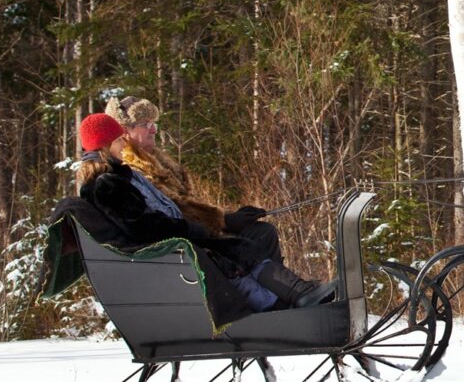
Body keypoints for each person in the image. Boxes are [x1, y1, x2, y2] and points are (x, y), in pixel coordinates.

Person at [73, 112, 335, 312]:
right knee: (236, 250)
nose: (124, 142)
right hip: (169, 252)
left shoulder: (118, 176)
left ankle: (295, 294)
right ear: (104, 145)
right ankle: (290, 299)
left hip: (175, 244)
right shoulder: (107, 184)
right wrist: (188, 228)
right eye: (119, 139)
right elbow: (141, 226)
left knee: (241, 246)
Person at [104, 95, 282, 264]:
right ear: (125, 131)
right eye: (145, 124)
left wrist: (228, 215)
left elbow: (190, 203)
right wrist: (224, 221)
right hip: (180, 245)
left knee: (262, 231)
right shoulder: (131, 170)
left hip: (196, 232)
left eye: (154, 124)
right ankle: (272, 292)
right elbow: (171, 213)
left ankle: (275, 291)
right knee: (260, 236)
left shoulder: (158, 161)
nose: (153, 130)